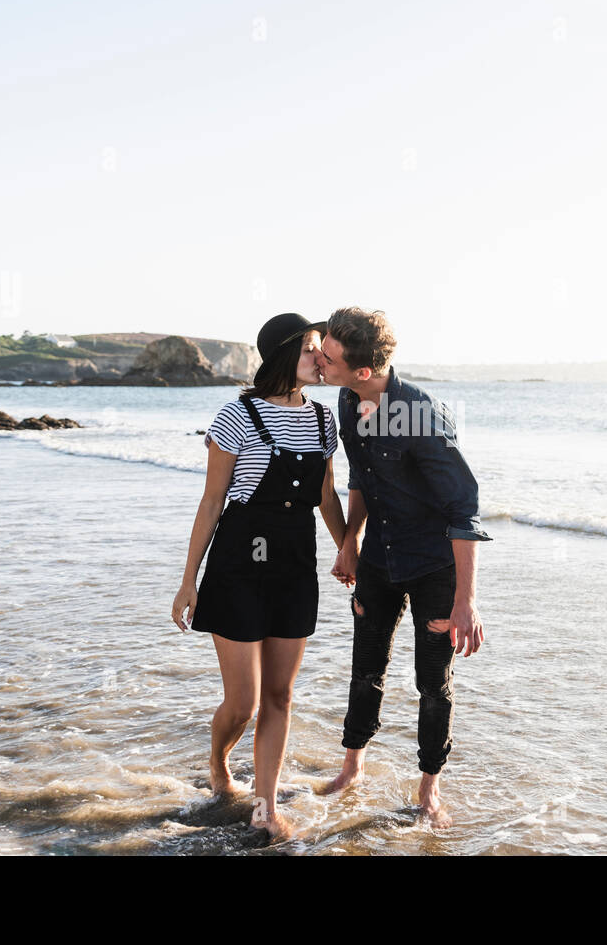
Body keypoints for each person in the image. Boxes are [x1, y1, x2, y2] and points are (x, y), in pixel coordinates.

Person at [314, 306, 492, 828]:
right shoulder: (349, 401)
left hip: (435, 565)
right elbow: (362, 477)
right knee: (365, 667)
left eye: (328, 357)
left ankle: (428, 787)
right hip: (378, 559)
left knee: (432, 681)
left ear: (363, 370)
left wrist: (466, 600)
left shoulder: (422, 416)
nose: (319, 361)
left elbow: (464, 509)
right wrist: (349, 541)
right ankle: (352, 768)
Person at [172, 313, 347, 840]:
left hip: (295, 566)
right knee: (243, 702)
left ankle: (264, 806)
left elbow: (325, 495)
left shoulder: (323, 421)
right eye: (313, 349)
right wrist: (188, 581)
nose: (322, 358)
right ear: (283, 356)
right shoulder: (235, 417)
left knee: (280, 696)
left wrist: (349, 551)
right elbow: (211, 503)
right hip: (238, 566)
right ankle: (219, 760)